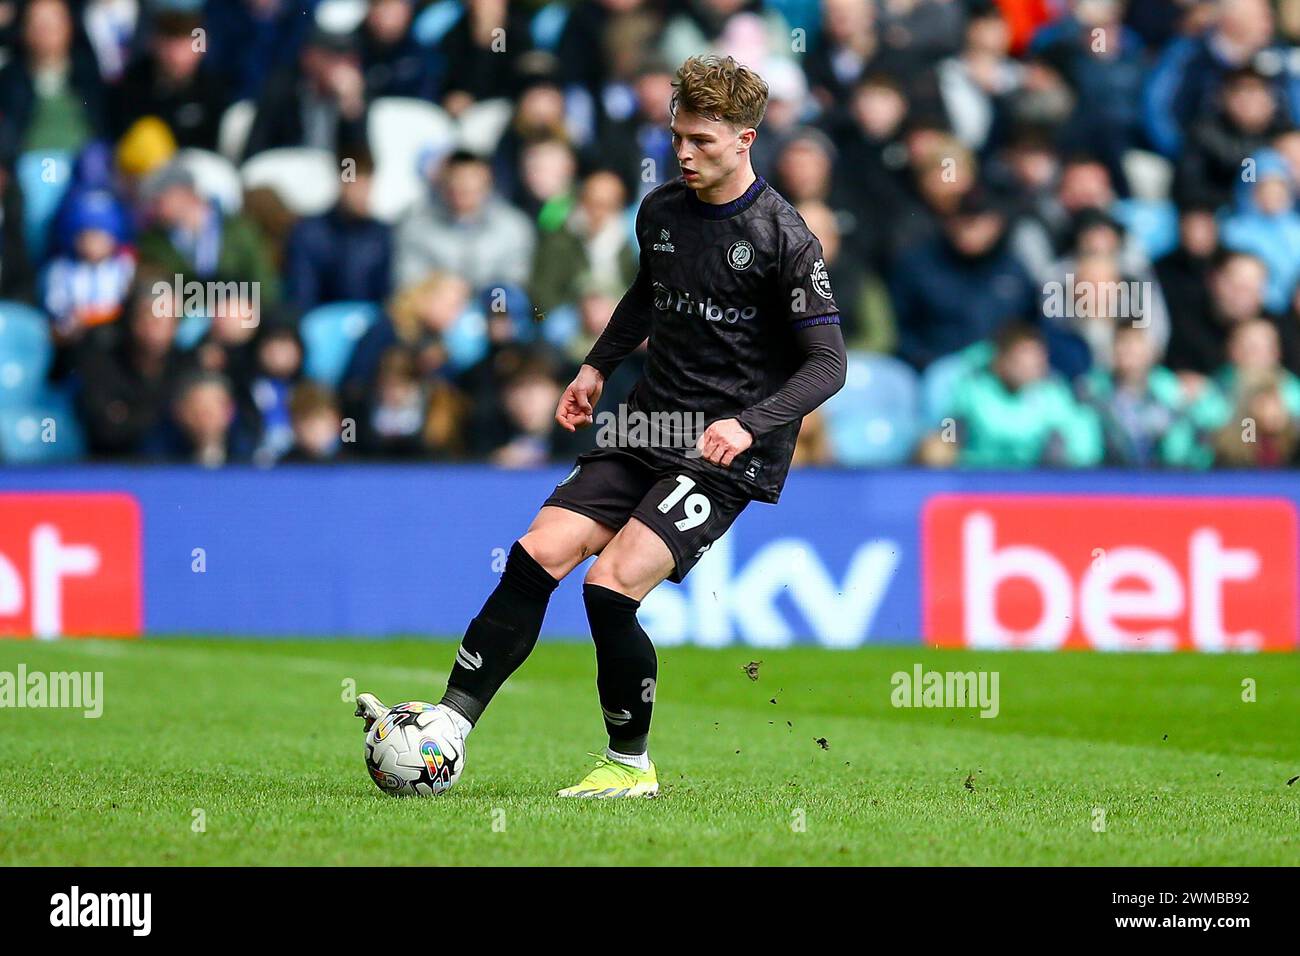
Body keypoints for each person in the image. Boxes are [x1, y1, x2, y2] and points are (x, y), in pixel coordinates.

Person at [355, 55, 847, 798]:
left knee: (610, 587)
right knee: (536, 551)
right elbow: (648, 296)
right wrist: (594, 367)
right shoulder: (660, 213)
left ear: (746, 139)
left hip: (724, 453)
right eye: (678, 136)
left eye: (702, 142)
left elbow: (828, 365)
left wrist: (749, 426)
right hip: (649, 422)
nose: (683, 153)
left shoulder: (784, 237)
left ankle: (629, 766)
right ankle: (449, 726)